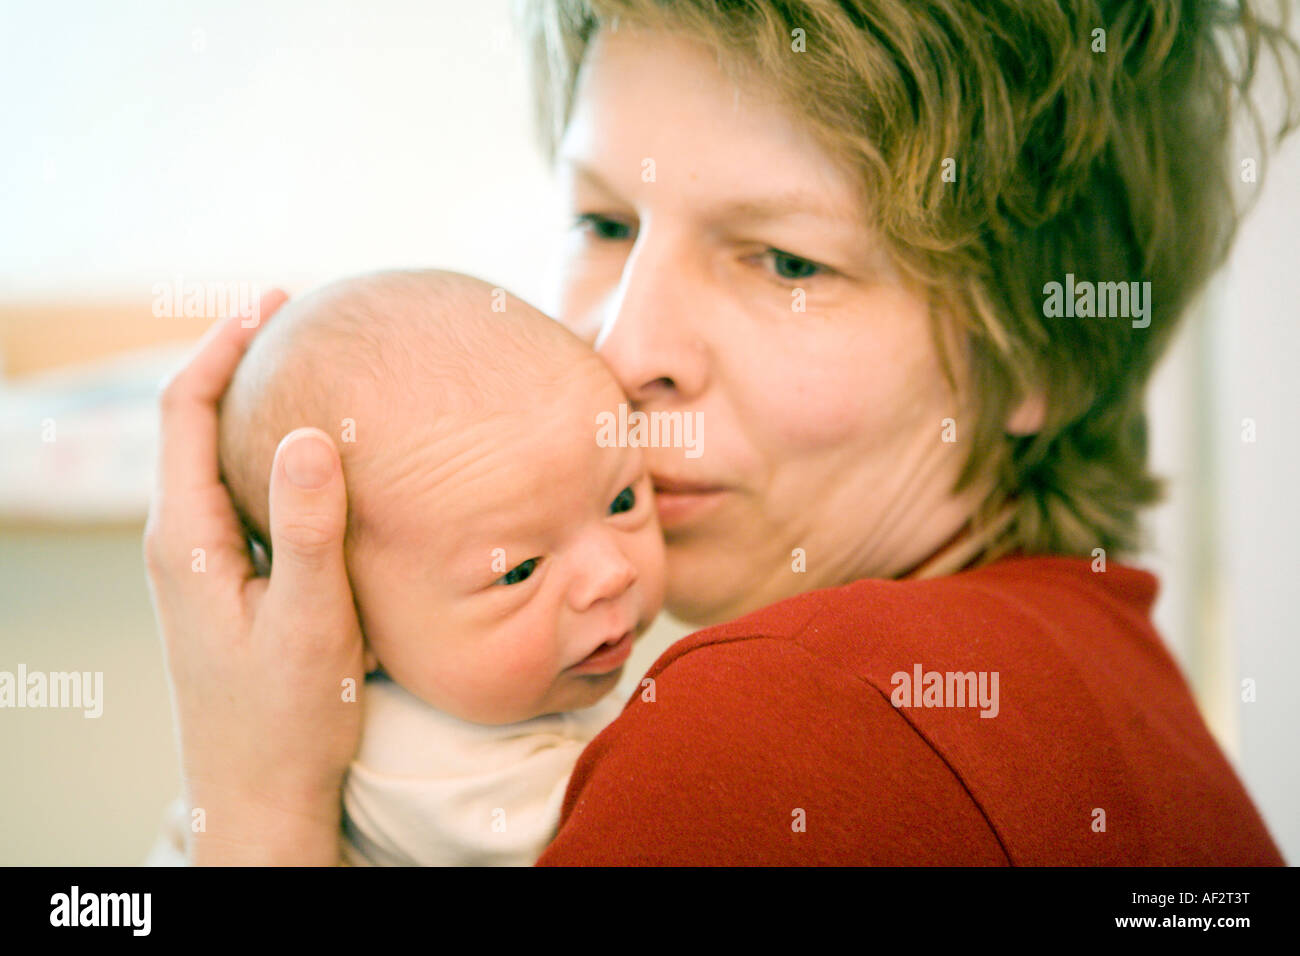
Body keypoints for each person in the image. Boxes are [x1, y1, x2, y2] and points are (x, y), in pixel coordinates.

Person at [144, 0, 1297, 864]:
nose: (624, 344)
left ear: (1040, 348)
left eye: (787, 260)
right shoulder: (1097, 684)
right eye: (603, 219)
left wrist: (255, 800)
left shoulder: (772, 727)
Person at [151, 269, 665, 865]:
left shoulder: (494, 691)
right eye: (518, 571)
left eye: (622, 502)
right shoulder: (427, 773)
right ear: (343, 617)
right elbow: (649, 832)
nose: (612, 572)